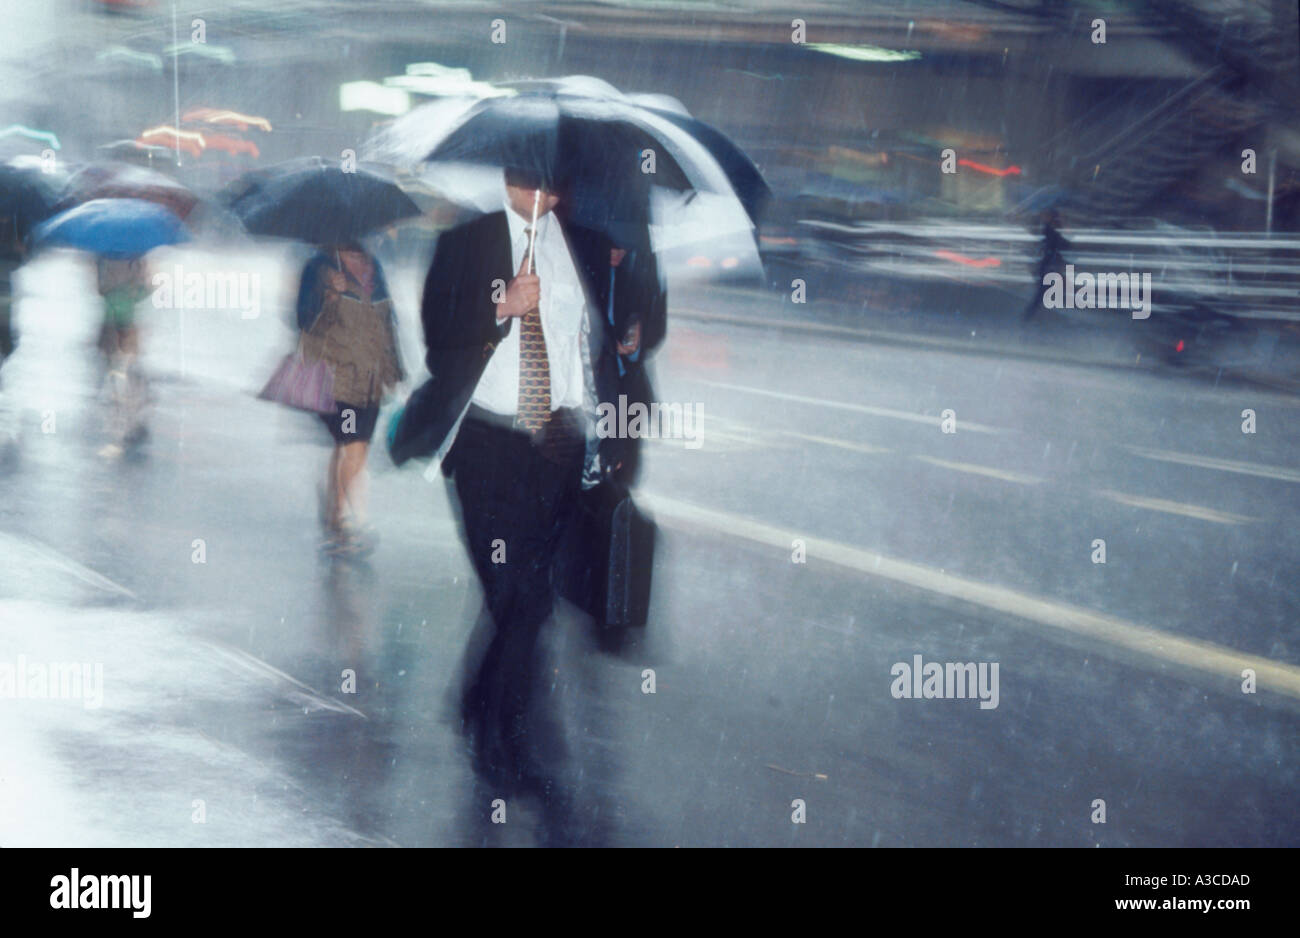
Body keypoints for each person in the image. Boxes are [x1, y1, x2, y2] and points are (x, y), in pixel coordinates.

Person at [411, 167, 664, 793]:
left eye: (556, 185)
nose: (547, 197)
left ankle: (492, 722)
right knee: (513, 595)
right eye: (538, 182)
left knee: (531, 600)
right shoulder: (466, 241)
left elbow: (620, 319)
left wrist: (632, 320)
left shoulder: (577, 239)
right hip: (484, 444)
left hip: (556, 443)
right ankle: (494, 725)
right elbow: (439, 342)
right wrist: (500, 306)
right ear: (511, 174)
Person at [297, 241, 405, 557]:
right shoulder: (319, 270)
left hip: (370, 381)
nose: (356, 258)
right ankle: (347, 523)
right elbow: (304, 322)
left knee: (349, 451)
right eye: (349, 252)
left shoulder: (376, 271)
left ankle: (334, 514)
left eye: (359, 253)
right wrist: (328, 297)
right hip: (337, 381)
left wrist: (396, 370)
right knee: (353, 449)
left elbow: (388, 323)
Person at [94, 255, 151, 458]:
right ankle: (131, 413)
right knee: (128, 365)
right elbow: (146, 287)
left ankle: (125, 415)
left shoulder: (102, 253)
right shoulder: (137, 254)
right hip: (124, 315)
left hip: (114, 315)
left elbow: (99, 288)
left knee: (117, 366)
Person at [1023, 209, 1070, 322]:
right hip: (1048, 267)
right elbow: (1060, 244)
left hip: (1047, 267)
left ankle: (1031, 315)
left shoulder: (1049, 230)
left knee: (1044, 293)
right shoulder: (1051, 231)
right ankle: (1029, 315)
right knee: (1044, 293)